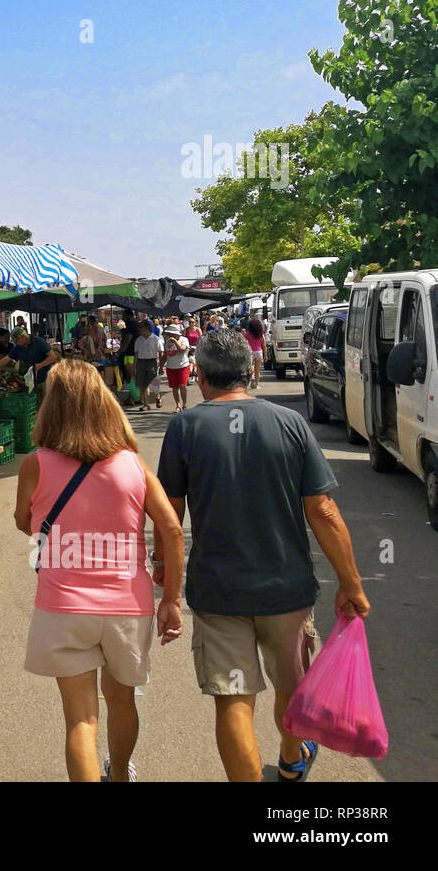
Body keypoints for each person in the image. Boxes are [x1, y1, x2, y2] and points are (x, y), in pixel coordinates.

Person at [156, 329, 369, 783]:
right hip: (285, 589)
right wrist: (350, 583)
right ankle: (293, 762)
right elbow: (323, 510)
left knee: (233, 701)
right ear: (250, 370)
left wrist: (168, 586)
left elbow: (170, 520)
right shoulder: (289, 423)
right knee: (293, 688)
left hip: (218, 594)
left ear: (200, 374)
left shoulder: (185, 428)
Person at [14, 360, 185, 782]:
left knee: (80, 721)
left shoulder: (35, 464)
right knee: (122, 701)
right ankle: (121, 776)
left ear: (51, 406)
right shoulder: (132, 464)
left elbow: (24, 522)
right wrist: (171, 599)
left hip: (64, 607)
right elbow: (172, 530)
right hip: (128, 605)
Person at [0, 325, 59, 402]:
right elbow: (7, 358)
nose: (15, 343)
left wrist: (40, 365)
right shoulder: (19, 347)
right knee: (37, 406)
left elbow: (53, 357)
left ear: (23, 337)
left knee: (48, 405)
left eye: (16, 341)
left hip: (45, 379)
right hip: (33, 381)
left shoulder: (39, 341)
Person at [132, 319, 163, 413]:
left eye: (141, 328)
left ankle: (157, 396)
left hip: (152, 362)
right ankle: (146, 404)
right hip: (141, 362)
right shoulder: (138, 340)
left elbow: (161, 353)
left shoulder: (156, 339)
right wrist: (134, 366)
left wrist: (161, 366)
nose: (139, 331)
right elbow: (136, 354)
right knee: (142, 384)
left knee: (154, 383)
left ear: (146, 328)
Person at [161, 324, 191, 413]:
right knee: (174, 387)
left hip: (183, 366)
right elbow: (165, 355)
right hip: (171, 367)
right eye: (169, 334)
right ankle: (178, 405)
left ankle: (185, 404)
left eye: (172, 334)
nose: (170, 336)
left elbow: (182, 349)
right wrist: (161, 366)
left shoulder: (184, 340)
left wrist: (175, 341)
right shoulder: (167, 342)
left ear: (177, 334)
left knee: (182, 385)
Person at [244, 316, 265, 390]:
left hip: (250, 352)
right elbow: (264, 346)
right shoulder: (260, 335)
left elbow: (244, 343)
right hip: (259, 352)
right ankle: (256, 384)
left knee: (250, 367)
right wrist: (265, 355)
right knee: (257, 369)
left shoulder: (247, 334)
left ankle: (252, 377)